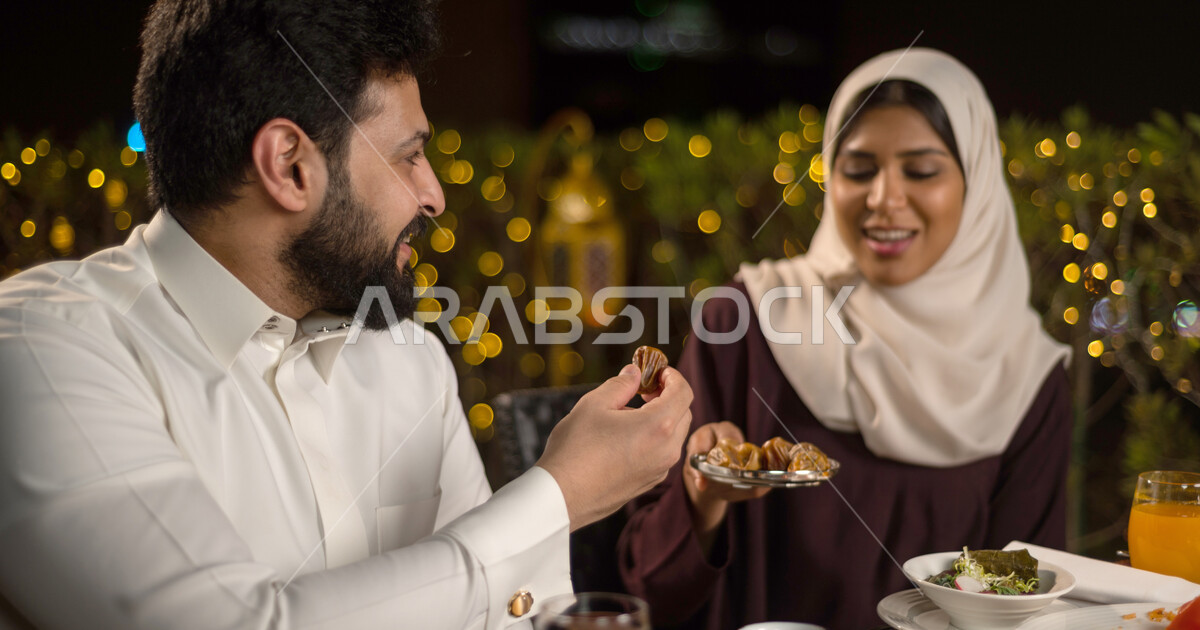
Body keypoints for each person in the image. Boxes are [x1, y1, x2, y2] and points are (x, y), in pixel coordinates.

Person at [0, 2, 694, 629]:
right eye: (409, 157)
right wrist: (558, 495)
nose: (433, 196)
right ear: (289, 167)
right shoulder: (40, 351)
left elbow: (501, 621)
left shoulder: (408, 358)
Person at [618, 48, 1073, 630]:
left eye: (921, 170)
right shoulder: (746, 322)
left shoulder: (1024, 372)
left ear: (976, 183)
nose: (884, 198)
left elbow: (1027, 607)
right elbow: (645, 588)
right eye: (858, 169)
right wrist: (701, 498)